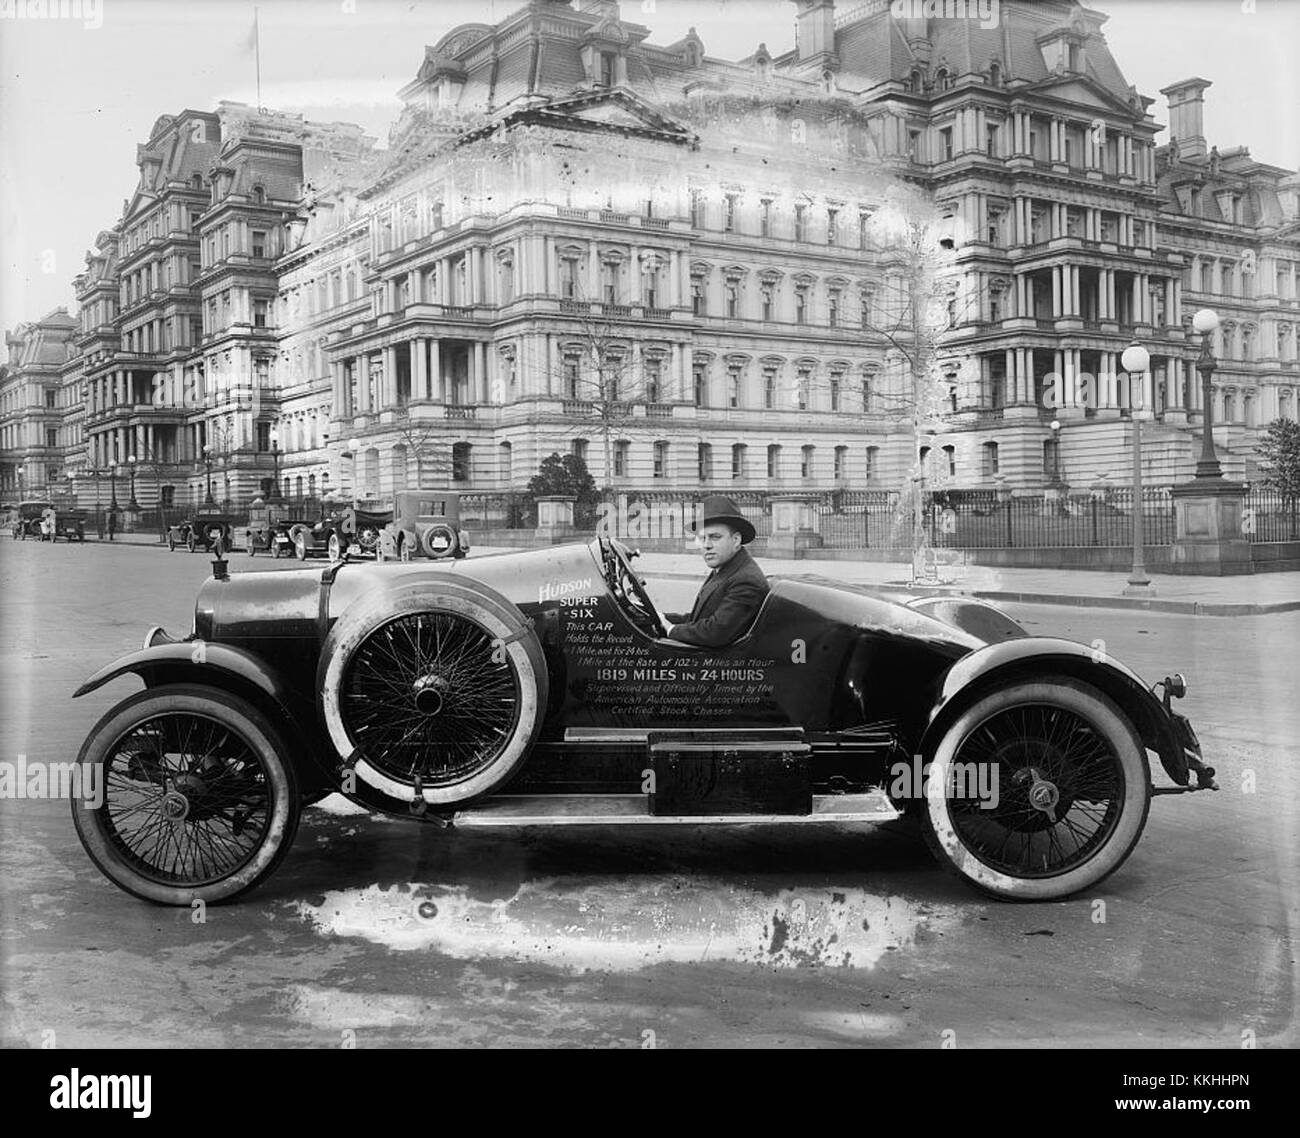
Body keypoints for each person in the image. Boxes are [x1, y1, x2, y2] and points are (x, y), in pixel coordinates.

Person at [662, 494, 769, 648]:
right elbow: (699, 619)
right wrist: (663, 617)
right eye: (702, 538)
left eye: (715, 537)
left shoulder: (746, 580)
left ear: (736, 540)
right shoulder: (726, 568)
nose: (706, 545)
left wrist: (671, 630)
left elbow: (715, 632)